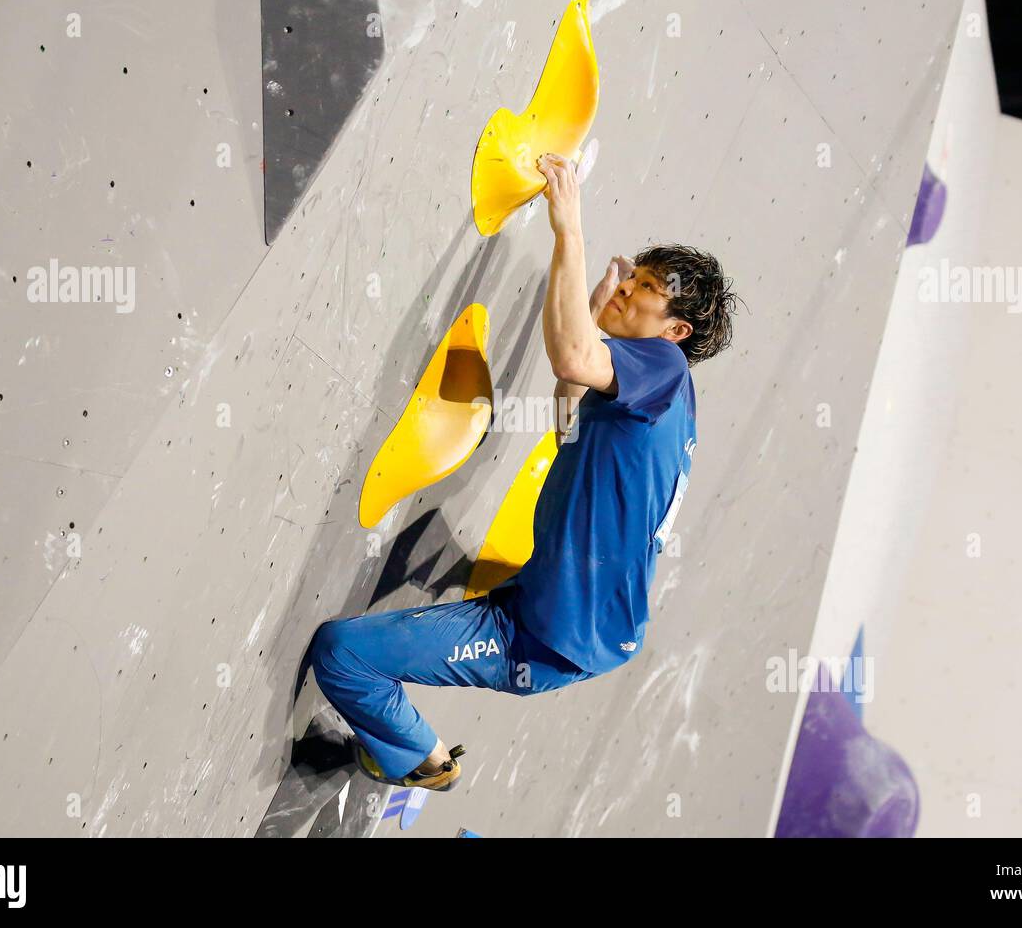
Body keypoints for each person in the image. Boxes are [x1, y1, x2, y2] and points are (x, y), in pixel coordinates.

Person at [307, 152, 739, 791]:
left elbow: (570, 352)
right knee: (351, 651)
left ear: (675, 330)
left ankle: (423, 762)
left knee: (344, 656)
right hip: (552, 607)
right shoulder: (659, 396)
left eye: (644, 289)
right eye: (635, 277)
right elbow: (571, 406)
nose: (625, 288)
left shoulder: (665, 371)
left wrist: (569, 230)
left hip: (543, 639)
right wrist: (588, 321)